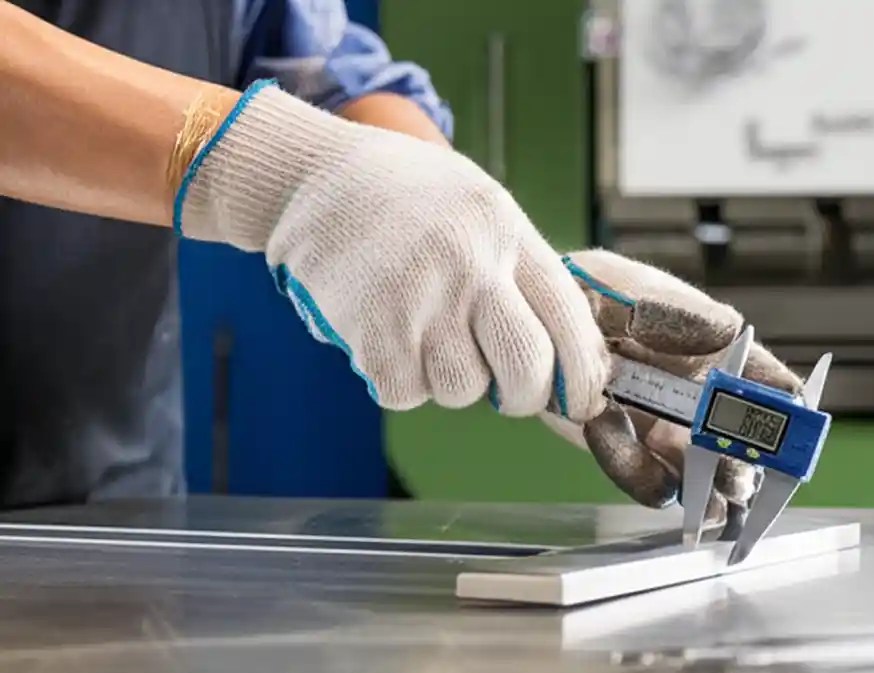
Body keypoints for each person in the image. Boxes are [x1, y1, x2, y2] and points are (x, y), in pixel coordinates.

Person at [0, 0, 802, 523]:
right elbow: (297, 155)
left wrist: (505, 269)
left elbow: (324, 70)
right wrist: (278, 170)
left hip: (103, 505)